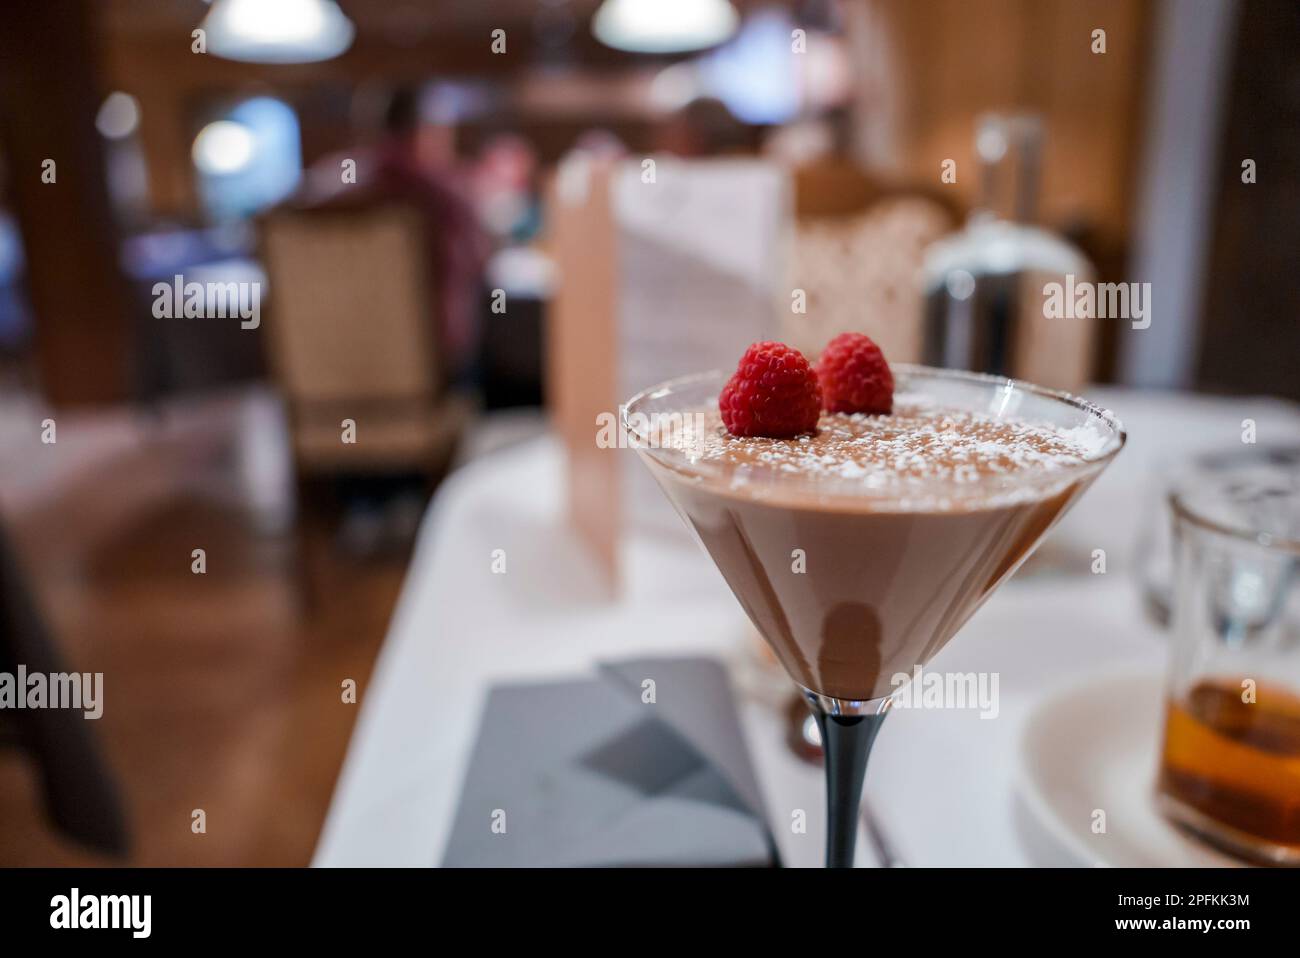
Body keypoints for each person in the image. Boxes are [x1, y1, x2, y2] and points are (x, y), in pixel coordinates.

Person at [297, 86, 488, 388]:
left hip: (338, 366)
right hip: (434, 362)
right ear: (426, 131)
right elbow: (477, 263)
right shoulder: (445, 196)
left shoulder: (327, 187)